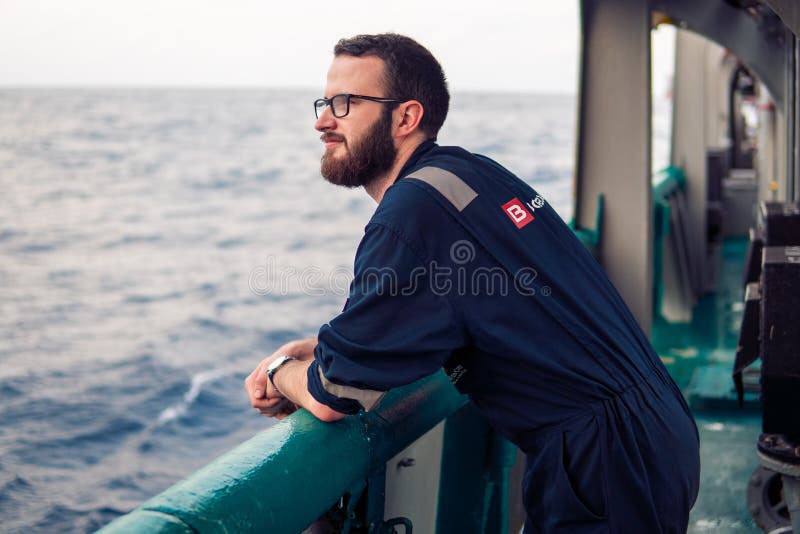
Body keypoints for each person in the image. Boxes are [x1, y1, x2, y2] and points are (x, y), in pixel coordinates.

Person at [244, 33, 700, 533]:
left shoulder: (412, 213)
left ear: (405, 117)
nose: (322, 120)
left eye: (345, 104)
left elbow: (336, 395)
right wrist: (322, 347)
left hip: (608, 463)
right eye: (324, 102)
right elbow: (475, 302)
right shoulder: (474, 173)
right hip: (652, 423)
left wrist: (280, 370)